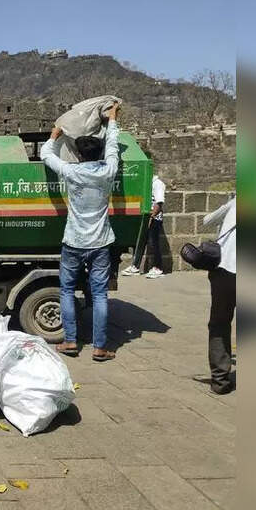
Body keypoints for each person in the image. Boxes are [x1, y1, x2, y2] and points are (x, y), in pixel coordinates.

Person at [41, 104, 121, 361]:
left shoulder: (71, 171)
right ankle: (99, 347)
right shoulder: (108, 171)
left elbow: (46, 155)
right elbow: (113, 146)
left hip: (74, 241)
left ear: (77, 154)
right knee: (99, 295)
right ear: (97, 154)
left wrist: (55, 135)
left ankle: (71, 342)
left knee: (66, 291)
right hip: (100, 242)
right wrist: (111, 120)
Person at [202, 196, 236, 394]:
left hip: (225, 271)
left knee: (219, 323)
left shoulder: (237, 202)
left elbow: (208, 220)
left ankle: (220, 380)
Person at [123, 172, 167, 278]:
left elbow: (159, 202)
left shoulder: (157, 184)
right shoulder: (145, 183)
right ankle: (135, 266)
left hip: (154, 218)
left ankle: (158, 268)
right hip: (144, 217)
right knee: (140, 243)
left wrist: (152, 217)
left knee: (153, 243)